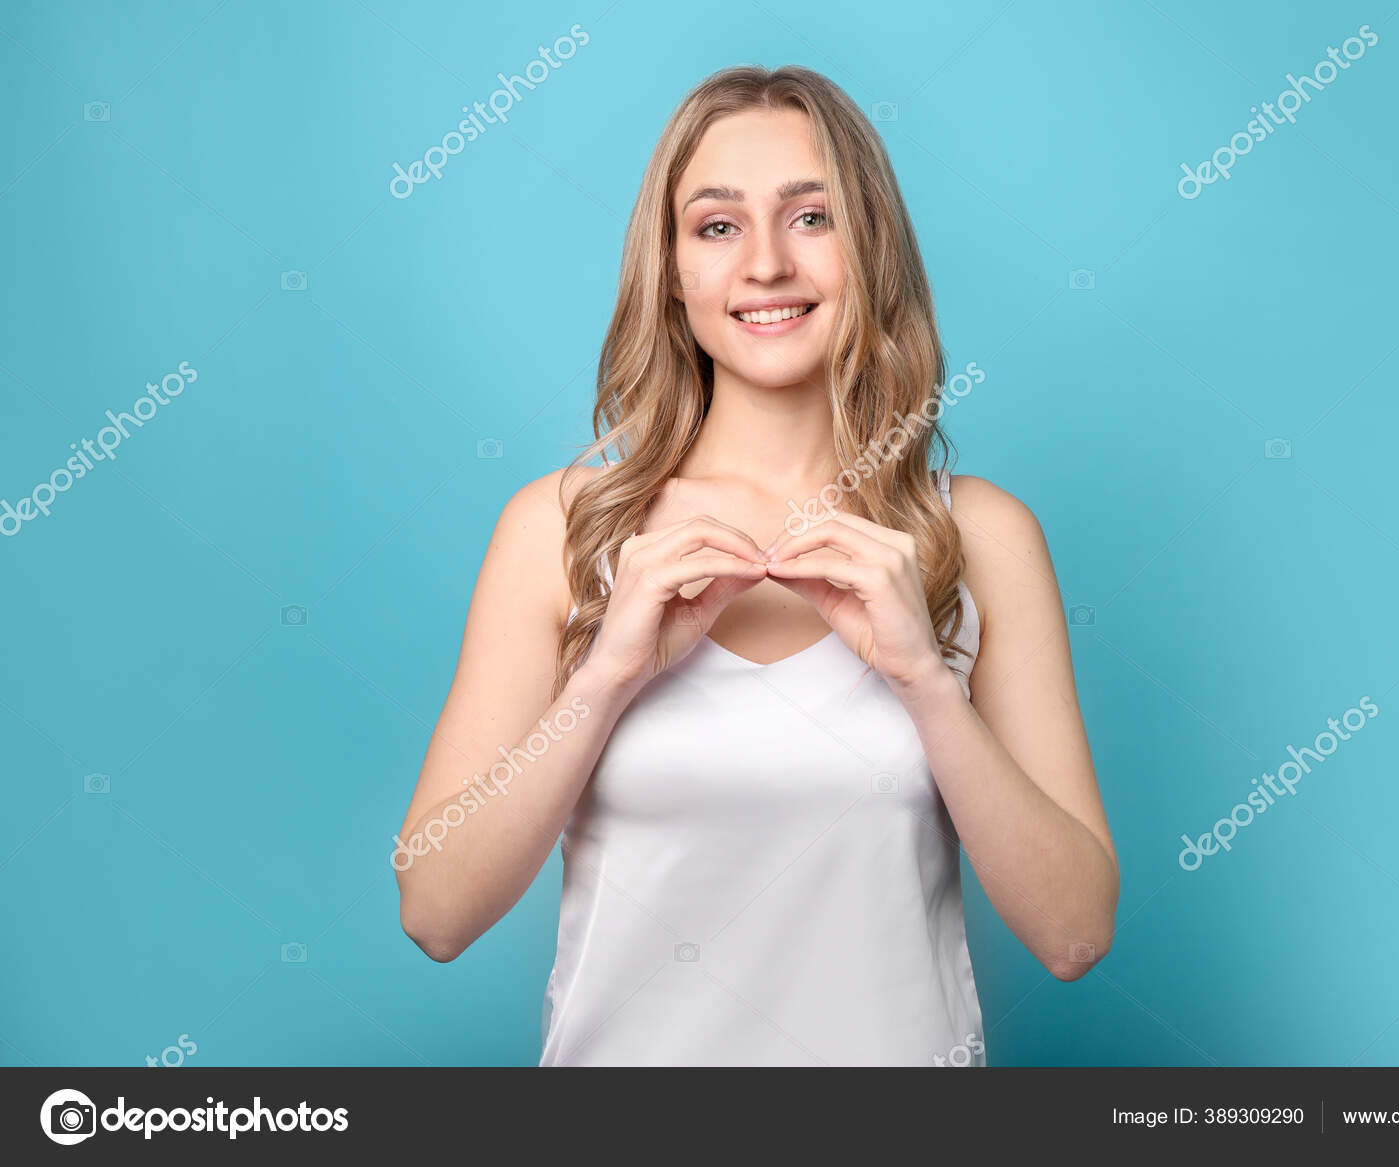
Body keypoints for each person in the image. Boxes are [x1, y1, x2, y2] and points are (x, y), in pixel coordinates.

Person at [394, 64, 1119, 1066]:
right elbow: (435, 911)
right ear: (672, 267)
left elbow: (1074, 935)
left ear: (871, 250)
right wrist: (605, 679)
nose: (767, 264)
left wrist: (923, 681)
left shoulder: (982, 538)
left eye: (812, 216)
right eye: (718, 225)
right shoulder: (559, 529)